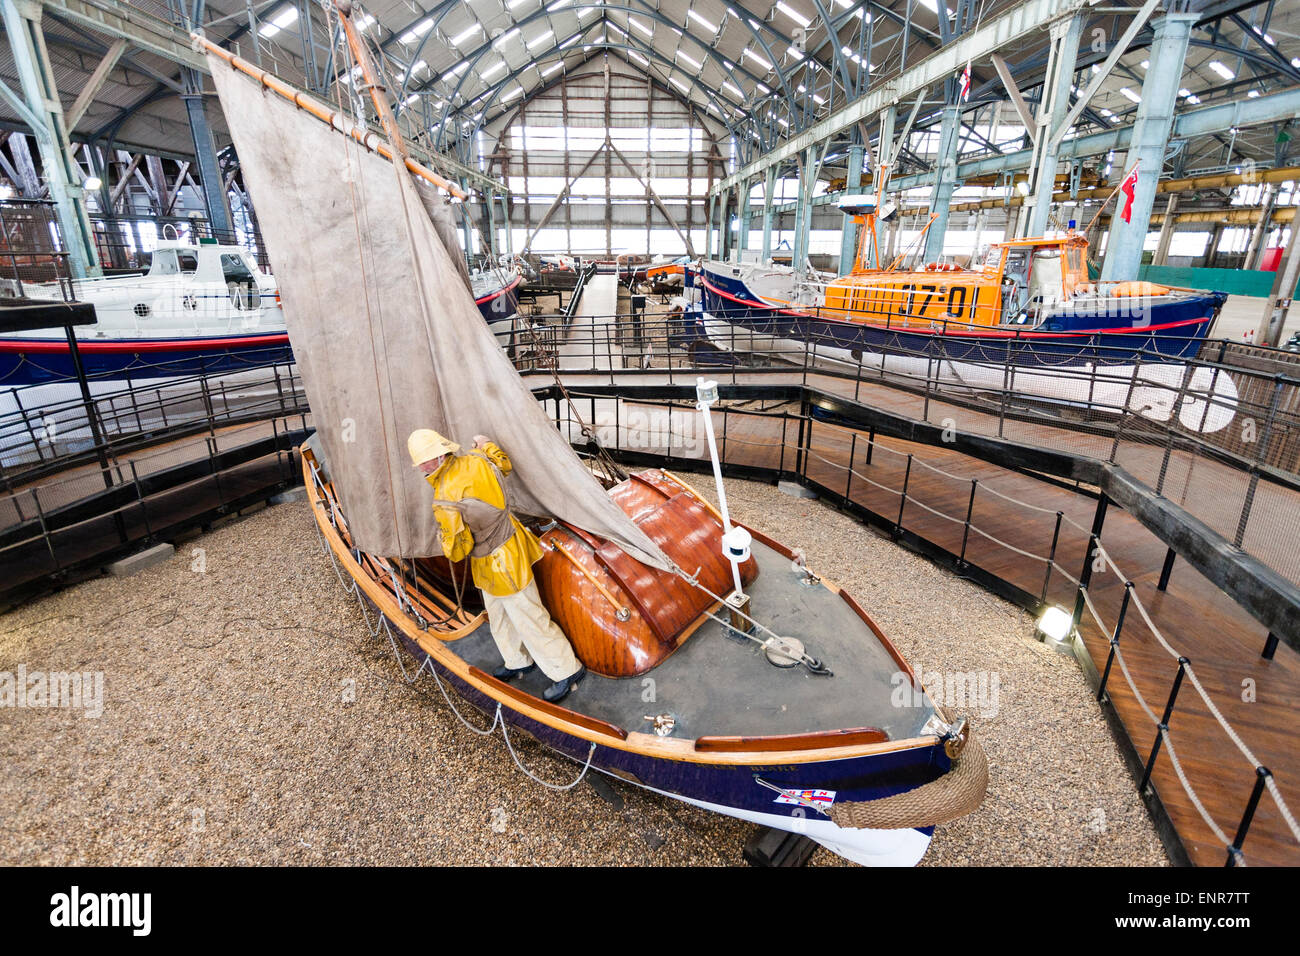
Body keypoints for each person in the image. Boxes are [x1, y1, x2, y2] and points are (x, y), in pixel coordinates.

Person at [407, 428, 586, 703]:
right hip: (510, 545)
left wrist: (444, 537)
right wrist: (486, 443)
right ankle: (517, 661)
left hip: (497, 562)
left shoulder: (444, 499)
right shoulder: (478, 458)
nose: (421, 467)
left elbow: (458, 551)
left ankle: (566, 670)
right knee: (499, 613)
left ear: (440, 456)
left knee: (528, 615)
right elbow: (504, 463)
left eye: (425, 460)